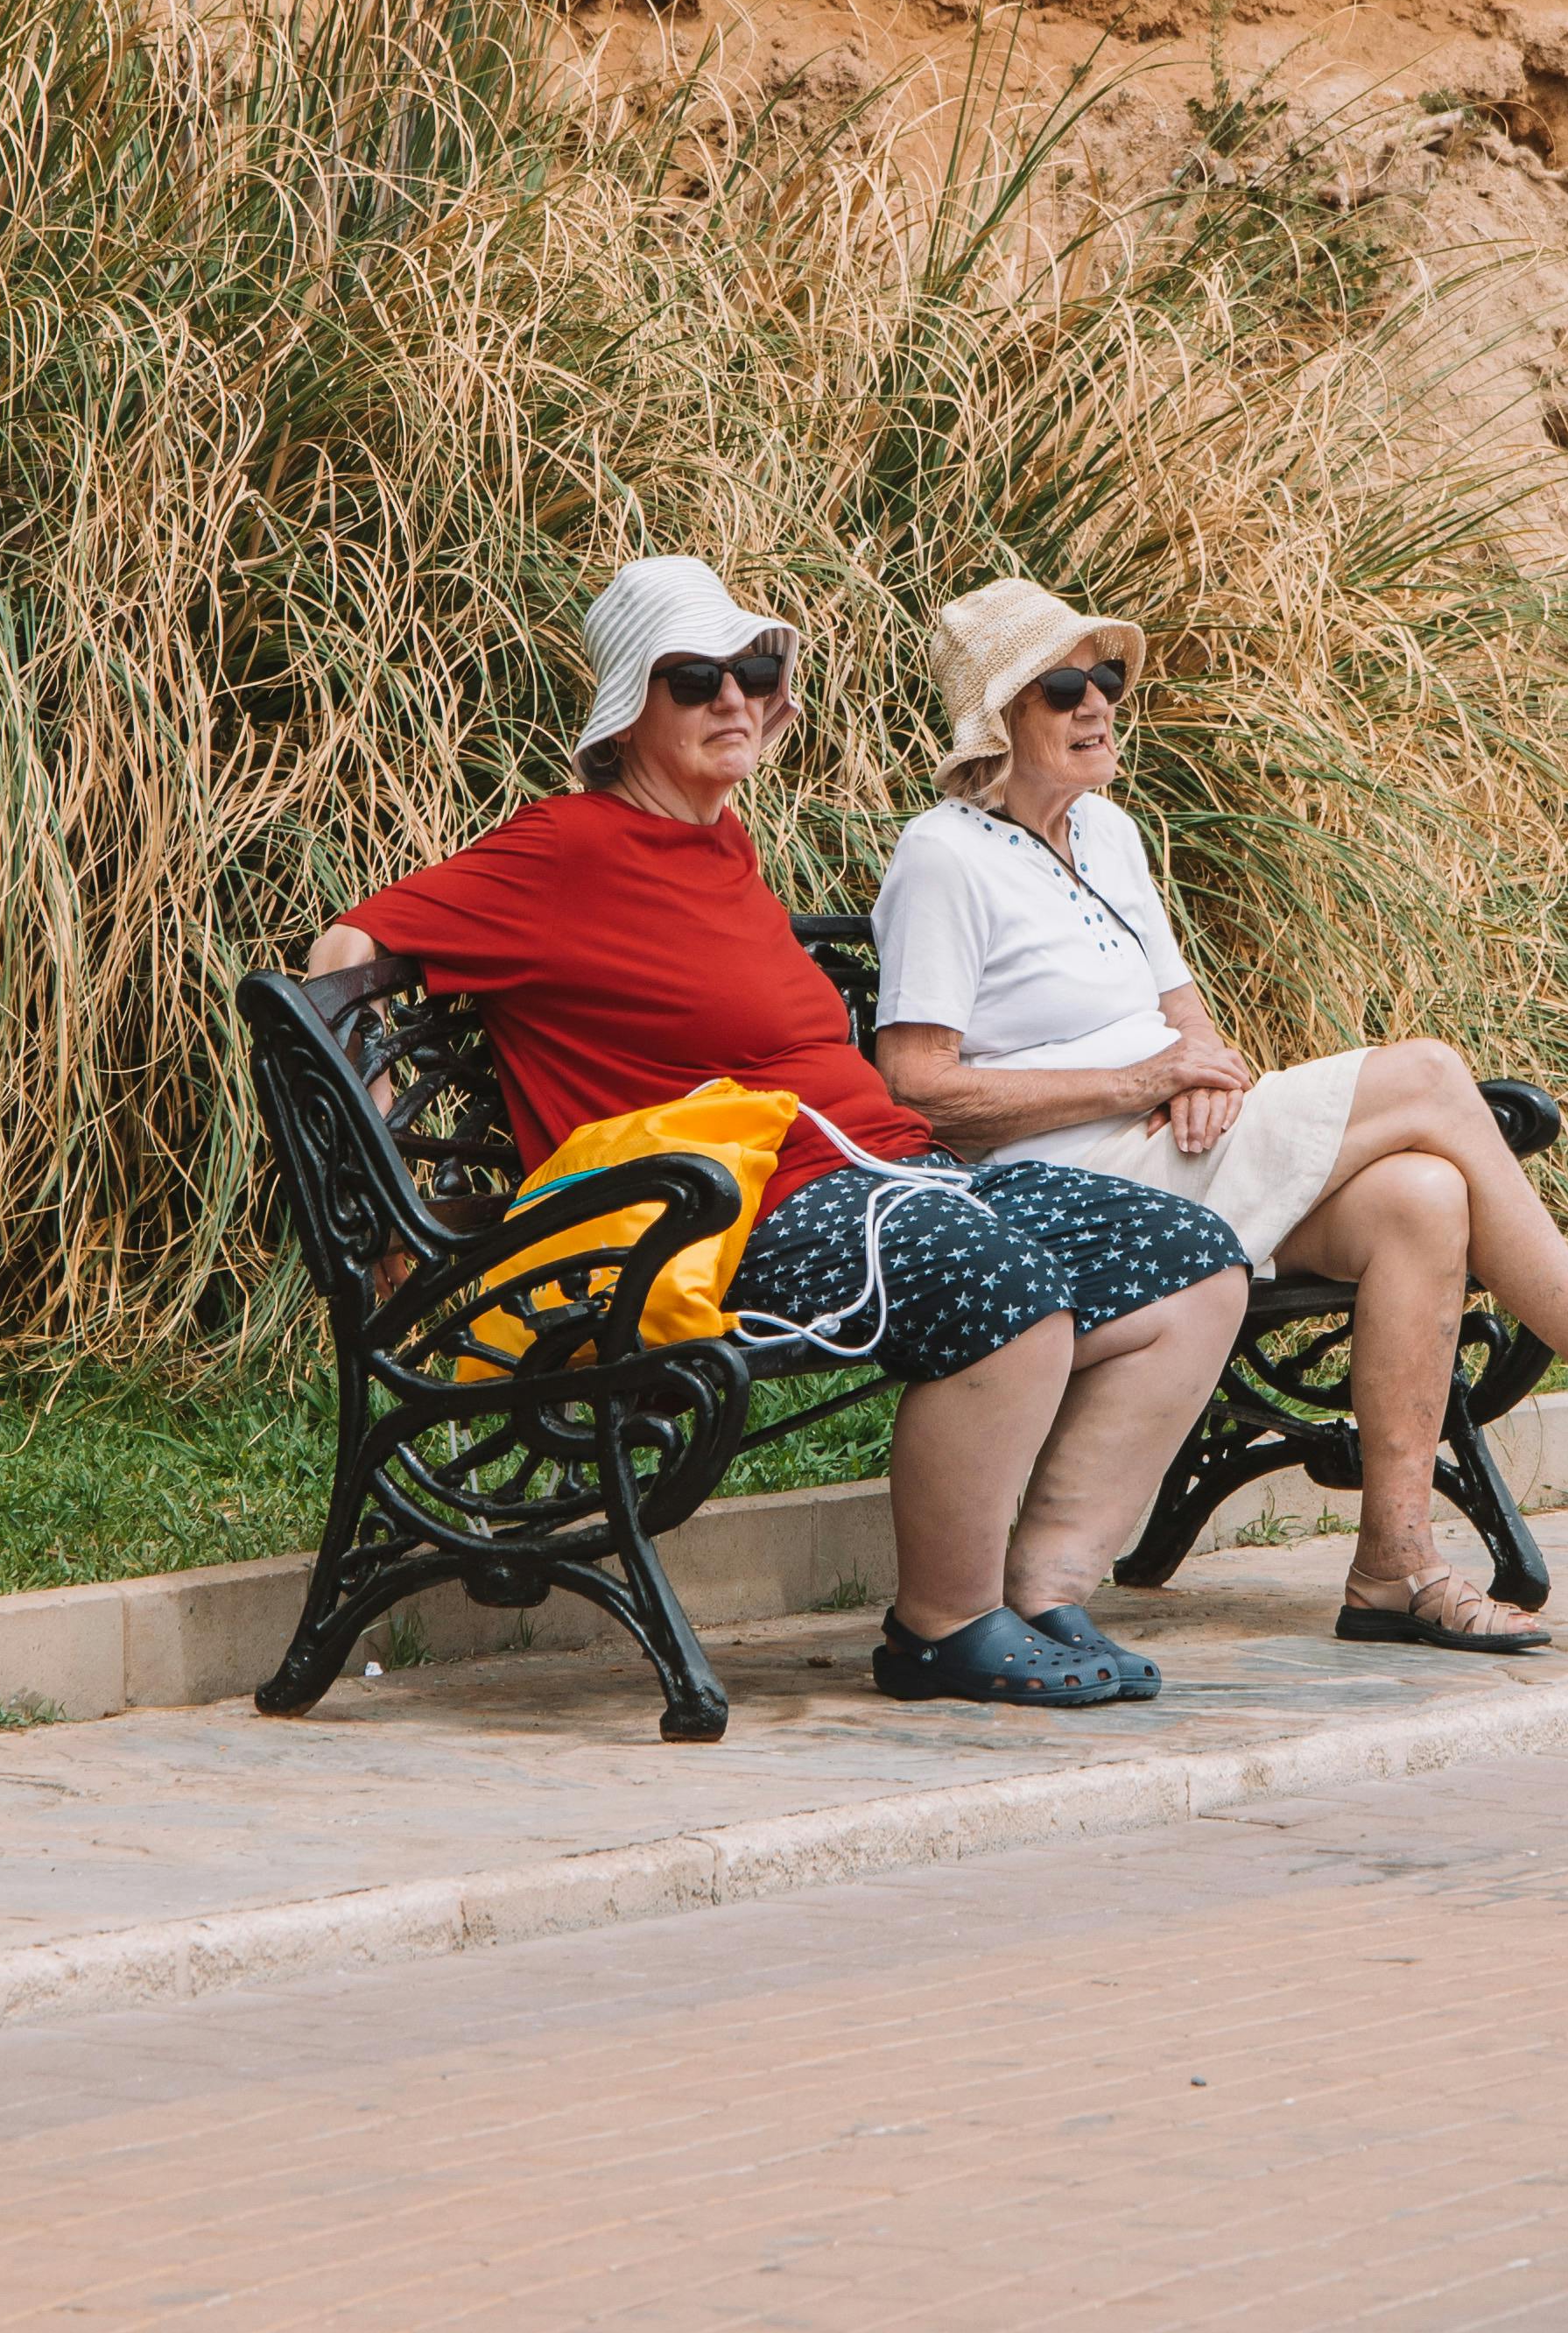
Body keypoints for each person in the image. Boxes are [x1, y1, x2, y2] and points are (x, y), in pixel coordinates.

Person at [306, 557, 1249, 1712]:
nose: (733, 699)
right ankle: (940, 1627)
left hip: (883, 1174)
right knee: (998, 1283)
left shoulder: (722, 840)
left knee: (1195, 1261)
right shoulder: (562, 848)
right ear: (628, 709)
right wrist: (388, 1229)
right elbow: (346, 952)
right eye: (695, 677)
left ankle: (1039, 1586)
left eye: (752, 671)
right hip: (724, 1214)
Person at [868, 576, 1568, 1656]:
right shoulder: (941, 856)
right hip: (1071, 1184)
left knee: (1420, 1199)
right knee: (1425, 1073)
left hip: (1173, 1155)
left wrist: (1202, 1073)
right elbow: (919, 1087)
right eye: (1062, 687)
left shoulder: (1109, 833)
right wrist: (1140, 1085)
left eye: (1108, 680)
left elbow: (1193, 1028)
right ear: (999, 719)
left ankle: (1395, 1563)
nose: (1097, 703)